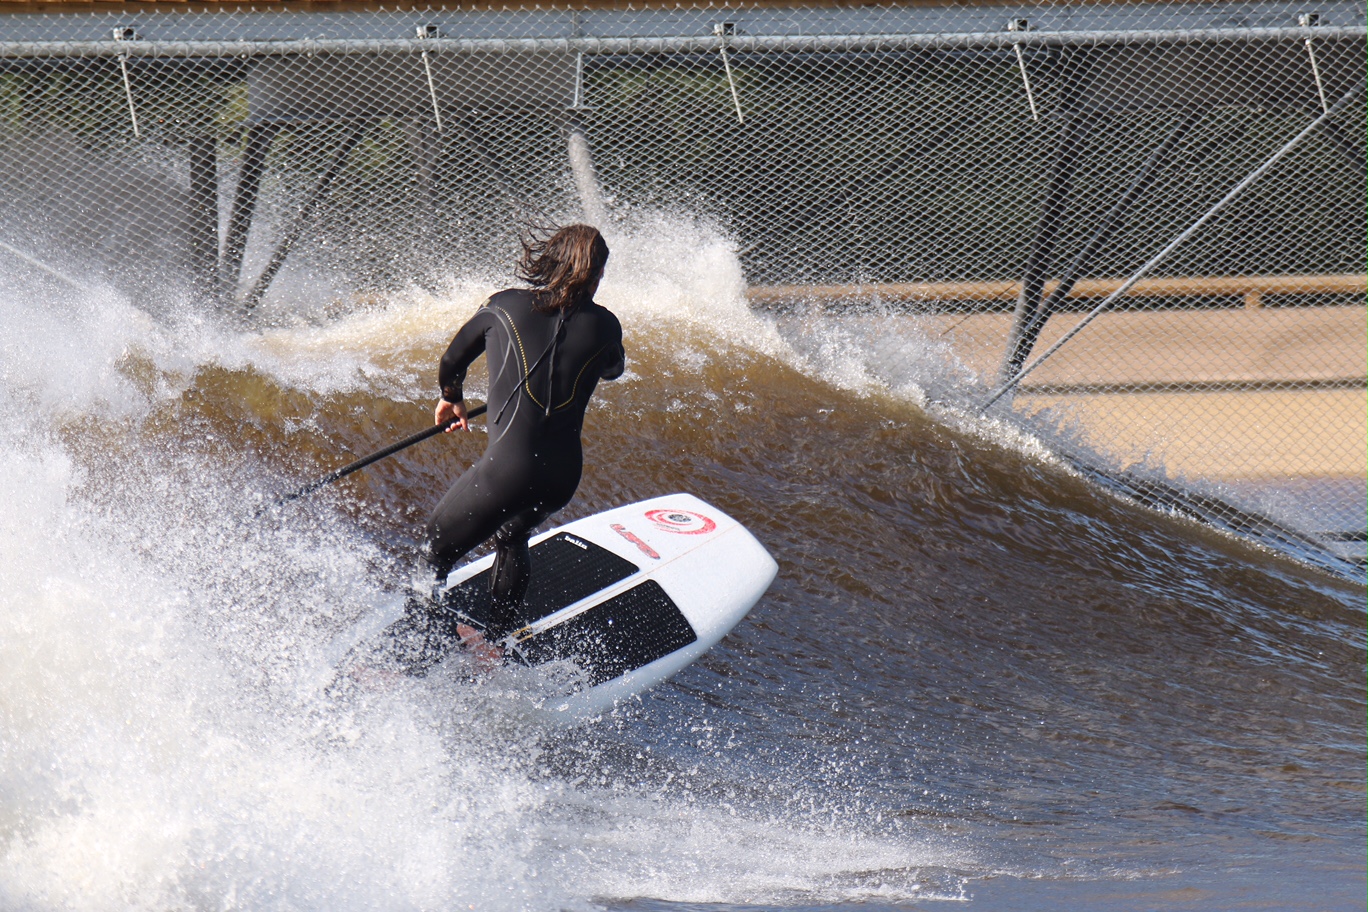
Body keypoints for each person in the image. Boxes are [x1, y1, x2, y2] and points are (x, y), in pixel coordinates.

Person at [419, 224, 625, 649]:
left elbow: (452, 359)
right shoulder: (607, 326)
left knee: (432, 555)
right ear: (597, 273)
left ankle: (426, 654)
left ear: (550, 258)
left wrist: (451, 397)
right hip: (562, 476)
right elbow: (612, 369)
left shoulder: (503, 306)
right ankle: (498, 645)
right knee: (513, 534)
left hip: (507, 470)